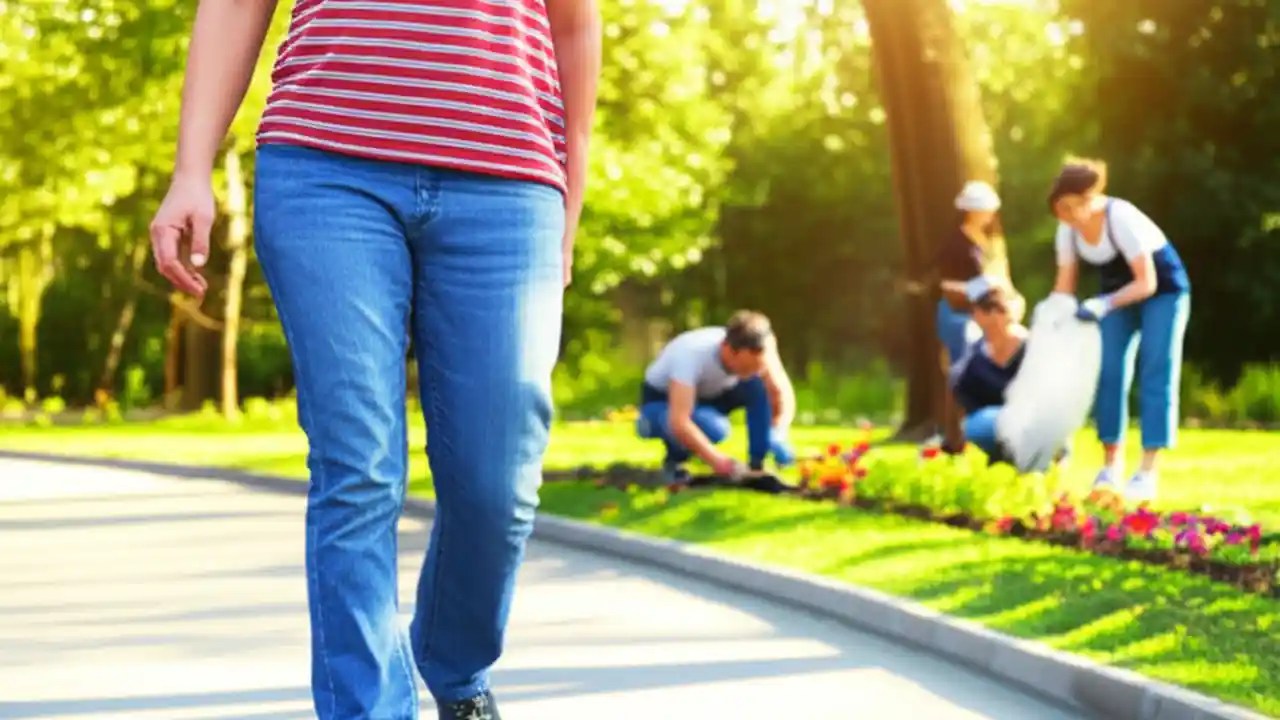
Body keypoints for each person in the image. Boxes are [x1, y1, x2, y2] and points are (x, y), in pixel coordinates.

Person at [148, 2, 601, 719]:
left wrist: (569, 201)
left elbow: (574, 24)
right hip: (326, 170)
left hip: (507, 180)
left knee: (497, 481)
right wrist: (190, 168)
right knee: (358, 466)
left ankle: (456, 669)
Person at [1048, 159, 1192, 501]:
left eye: (1072, 207)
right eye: (1060, 209)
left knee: (1156, 370)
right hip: (1116, 299)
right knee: (1109, 372)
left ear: (1089, 199)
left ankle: (1146, 471)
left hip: (1163, 292)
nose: (1067, 215)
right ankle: (1110, 467)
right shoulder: (1067, 229)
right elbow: (1064, 285)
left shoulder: (1120, 218)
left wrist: (1104, 304)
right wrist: (1055, 315)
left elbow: (1147, 282)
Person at [636, 311, 797, 481]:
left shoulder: (761, 348)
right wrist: (720, 463)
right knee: (713, 428)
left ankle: (757, 463)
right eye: (747, 367)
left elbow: (779, 392)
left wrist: (778, 432)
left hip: (713, 394)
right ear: (729, 350)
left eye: (757, 367)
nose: (753, 371)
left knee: (758, 386)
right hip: (662, 401)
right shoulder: (691, 354)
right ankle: (675, 460)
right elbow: (679, 420)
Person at [934, 180, 1012, 454]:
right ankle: (954, 439)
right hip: (960, 317)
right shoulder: (955, 243)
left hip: (986, 317)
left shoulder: (989, 242)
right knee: (961, 375)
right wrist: (978, 287)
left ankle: (972, 436)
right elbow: (943, 284)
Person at [948, 276, 1028, 465]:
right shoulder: (978, 353)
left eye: (977, 312)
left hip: (1032, 419)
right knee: (980, 424)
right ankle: (1003, 456)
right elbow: (961, 390)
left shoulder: (1031, 348)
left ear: (995, 313)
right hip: (994, 418)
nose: (974, 317)